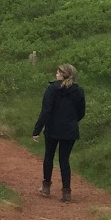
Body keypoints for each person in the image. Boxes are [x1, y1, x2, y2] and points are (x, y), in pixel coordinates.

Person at [32, 63, 86, 201]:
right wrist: (72, 121)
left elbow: (46, 111)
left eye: (57, 72)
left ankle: (46, 187)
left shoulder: (52, 89)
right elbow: (81, 112)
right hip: (70, 130)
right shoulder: (79, 91)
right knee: (64, 160)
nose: (56, 74)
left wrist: (37, 130)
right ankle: (66, 192)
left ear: (62, 75)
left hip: (52, 129)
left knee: (49, 156)